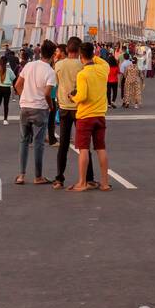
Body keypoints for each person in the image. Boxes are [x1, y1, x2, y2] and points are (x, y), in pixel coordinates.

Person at [52, 37, 95, 189]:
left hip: (63, 107)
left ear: (67, 49)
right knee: (84, 145)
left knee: (63, 144)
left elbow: (56, 83)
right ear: (79, 51)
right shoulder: (82, 65)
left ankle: (59, 179)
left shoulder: (58, 65)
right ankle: (89, 178)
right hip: (80, 108)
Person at [68, 41, 110, 193]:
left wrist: (72, 97)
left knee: (84, 149)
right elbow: (101, 61)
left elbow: (82, 96)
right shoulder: (103, 69)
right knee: (101, 148)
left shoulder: (83, 74)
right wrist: (94, 55)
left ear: (80, 56)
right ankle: (105, 183)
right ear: (93, 53)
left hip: (85, 116)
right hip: (100, 115)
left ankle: (82, 182)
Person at [14, 39, 56, 185]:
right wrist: (50, 106)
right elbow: (47, 94)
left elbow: (17, 84)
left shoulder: (29, 65)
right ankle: (38, 177)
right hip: (40, 109)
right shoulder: (50, 72)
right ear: (53, 55)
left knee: (23, 141)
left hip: (25, 107)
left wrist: (23, 98)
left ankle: (21, 175)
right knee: (38, 143)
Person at [0, 53, 15, 124]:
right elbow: (13, 78)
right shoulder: (9, 70)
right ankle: (5, 120)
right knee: (6, 104)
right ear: (6, 62)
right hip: (6, 88)